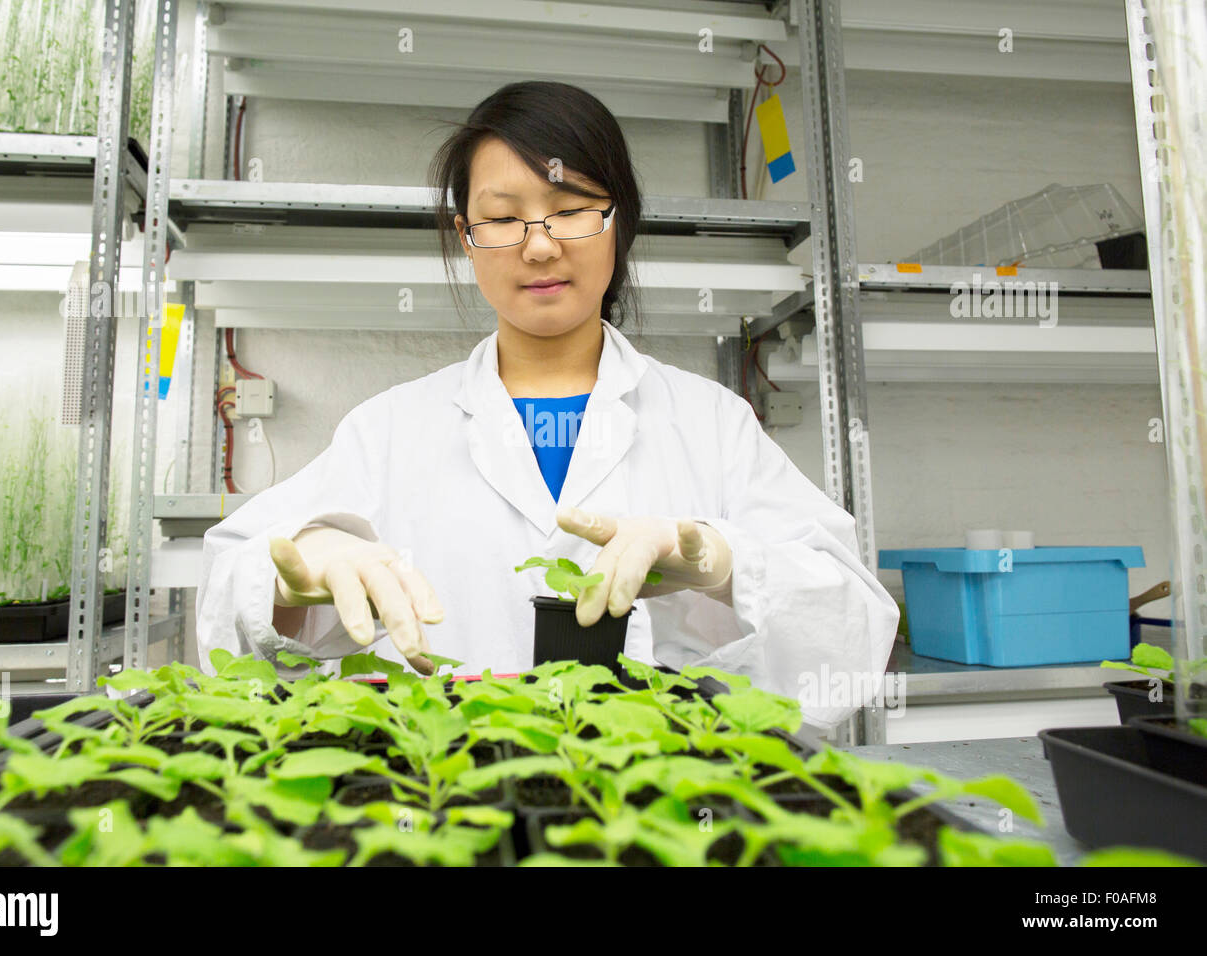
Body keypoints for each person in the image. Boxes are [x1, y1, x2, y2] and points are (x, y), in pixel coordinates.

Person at [196, 80, 899, 729]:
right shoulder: (389, 430)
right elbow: (225, 602)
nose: (538, 247)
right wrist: (297, 569)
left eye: (569, 212)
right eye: (501, 218)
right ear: (467, 239)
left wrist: (726, 563)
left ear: (619, 223)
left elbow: (855, 631)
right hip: (453, 807)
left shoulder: (711, 424)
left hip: (667, 812)